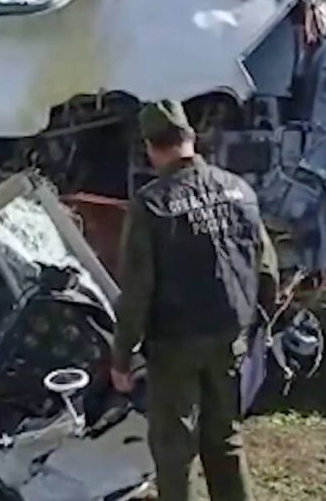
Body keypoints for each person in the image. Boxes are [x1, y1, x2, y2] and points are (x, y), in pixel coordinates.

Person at [110, 99, 278, 501]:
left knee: (174, 449)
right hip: (229, 334)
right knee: (224, 439)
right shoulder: (240, 190)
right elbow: (267, 268)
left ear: (151, 146)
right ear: (189, 138)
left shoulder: (151, 204)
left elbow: (137, 292)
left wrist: (121, 358)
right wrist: (255, 326)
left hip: (175, 344)